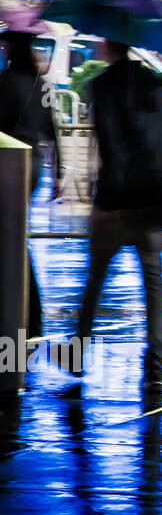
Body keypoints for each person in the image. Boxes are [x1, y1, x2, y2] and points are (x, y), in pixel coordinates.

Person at [55, 40, 162, 388]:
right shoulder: (158, 85)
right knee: (154, 284)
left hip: (115, 201)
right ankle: (154, 367)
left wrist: (105, 203)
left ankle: (76, 354)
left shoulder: (102, 86)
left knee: (95, 280)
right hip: (152, 201)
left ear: (108, 43)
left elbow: (112, 146)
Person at [0, 29, 63, 337]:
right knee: (15, 236)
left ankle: (27, 313)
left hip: (7, 162)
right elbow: (52, 130)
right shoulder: (42, 84)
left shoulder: (5, 81)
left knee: (11, 240)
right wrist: (59, 174)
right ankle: (33, 315)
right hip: (33, 163)